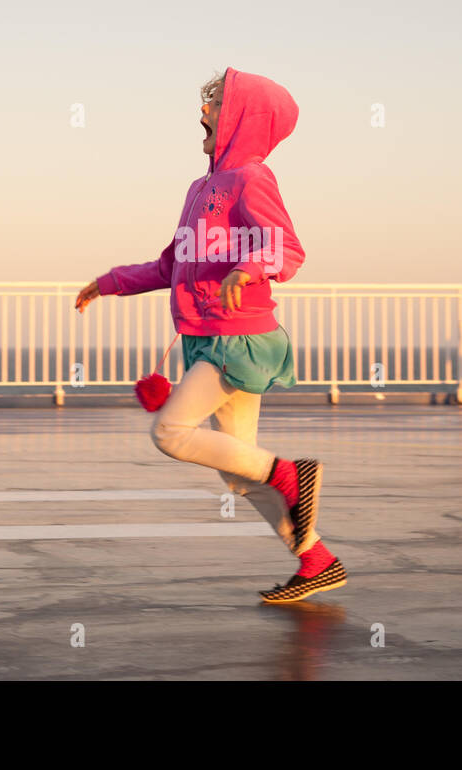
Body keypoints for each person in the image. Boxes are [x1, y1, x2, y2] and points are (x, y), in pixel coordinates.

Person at [75, 68, 346, 603]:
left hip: (237, 340)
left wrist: (249, 270)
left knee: (171, 433)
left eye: (214, 106)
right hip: (206, 340)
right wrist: (108, 283)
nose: (202, 114)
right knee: (239, 472)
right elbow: (169, 266)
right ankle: (316, 559)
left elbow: (286, 247)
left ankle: (292, 474)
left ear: (243, 119)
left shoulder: (251, 178)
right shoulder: (201, 189)